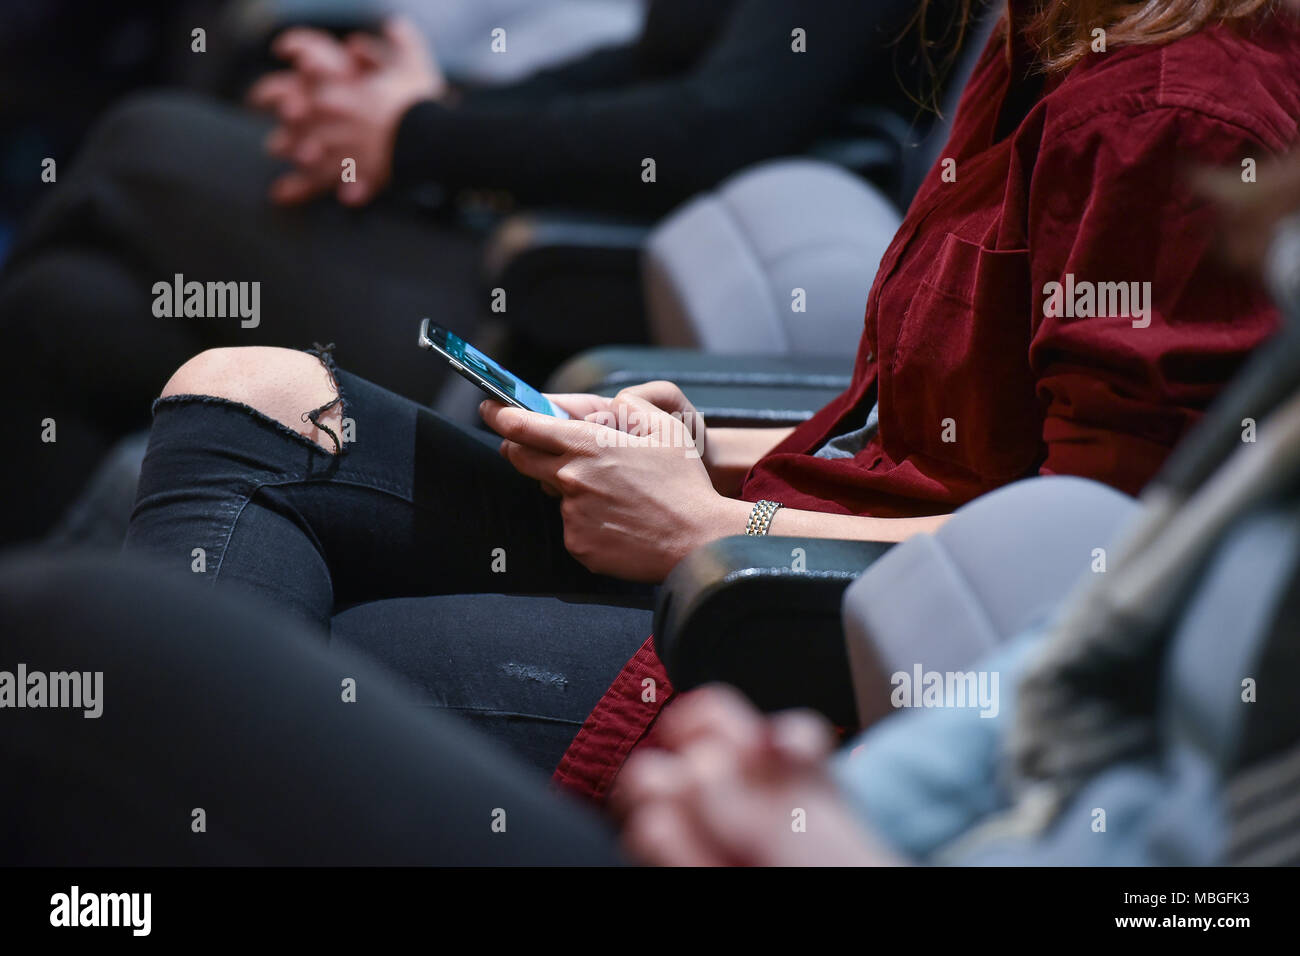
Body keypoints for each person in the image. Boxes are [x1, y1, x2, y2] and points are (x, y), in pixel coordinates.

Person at [121, 0, 1300, 796]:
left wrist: (716, 526)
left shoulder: (1177, 117)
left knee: (291, 662)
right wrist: (702, 449)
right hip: (774, 539)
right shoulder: (1041, 38)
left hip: (817, 651)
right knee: (242, 397)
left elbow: (1090, 569)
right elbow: (932, 435)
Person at [0, 0, 954, 545]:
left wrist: (415, 134)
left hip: (563, 296)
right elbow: (643, 64)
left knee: (143, 138)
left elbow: (712, 126)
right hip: (526, 246)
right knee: (64, 304)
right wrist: (431, 109)